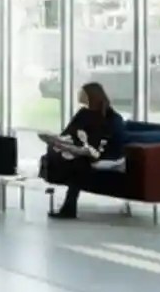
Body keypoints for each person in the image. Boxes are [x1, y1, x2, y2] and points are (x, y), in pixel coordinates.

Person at [43, 82, 127, 220]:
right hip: (84, 150)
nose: (79, 95)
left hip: (106, 155)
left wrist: (81, 150)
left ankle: (69, 208)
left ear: (91, 96)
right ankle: (68, 205)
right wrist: (58, 140)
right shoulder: (83, 113)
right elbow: (68, 133)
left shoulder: (111, 118)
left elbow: (103, 145)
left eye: (82, 93)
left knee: (79, 162)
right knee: (58, 152)